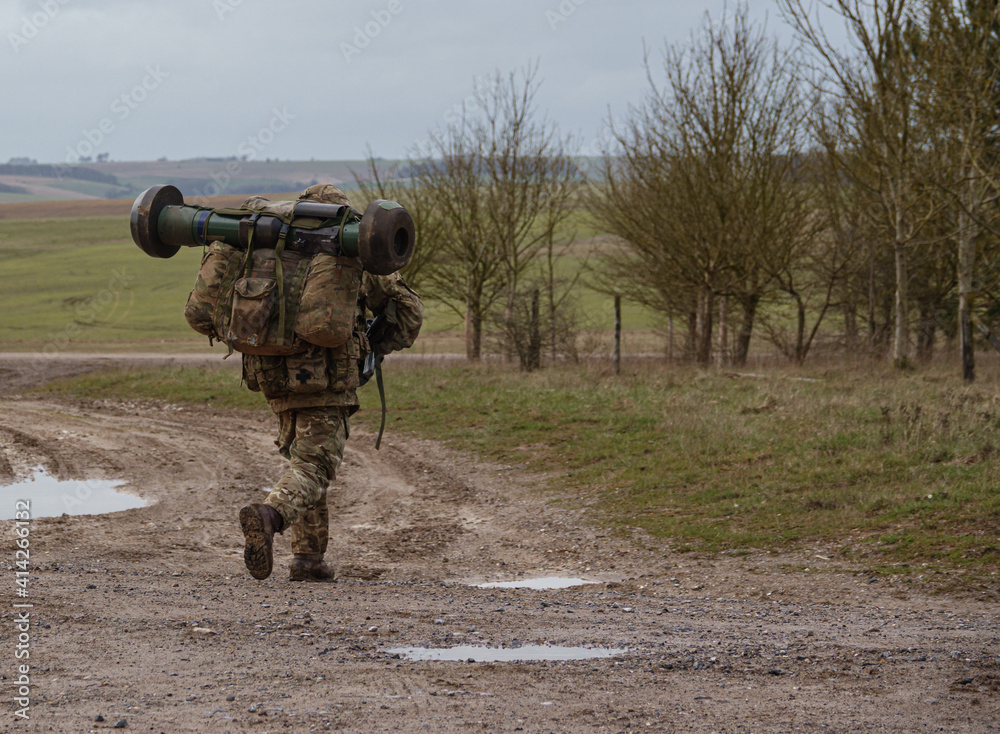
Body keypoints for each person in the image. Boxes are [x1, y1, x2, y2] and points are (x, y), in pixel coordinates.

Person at [237, 183, 423, 582]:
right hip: (326, 378)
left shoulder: (267, 248)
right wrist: (372, 348)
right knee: (315, 464)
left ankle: (308, 559)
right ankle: (270, 515)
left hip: (272, 374)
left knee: (301, 458)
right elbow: (407, 315)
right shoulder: (347, 249)